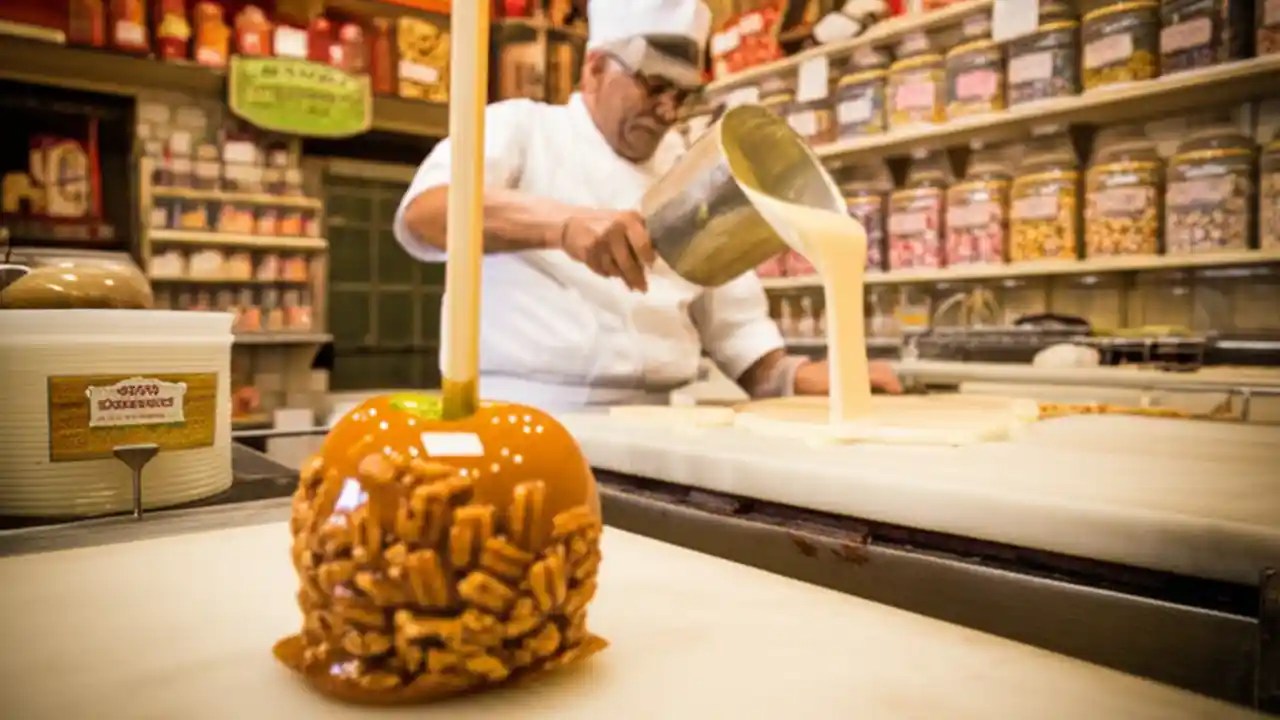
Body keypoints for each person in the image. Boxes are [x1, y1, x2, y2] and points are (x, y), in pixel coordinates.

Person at [394, 0, 901, 412]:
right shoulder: (522, 129)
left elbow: (737, 328)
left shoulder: (686, 166)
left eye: (681, 95)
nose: (666, 110)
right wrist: (562, 224)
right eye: (653, 85)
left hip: (657, 428)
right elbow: (428, 214)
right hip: (526, 413)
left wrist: (799, 375)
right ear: (594, 70)